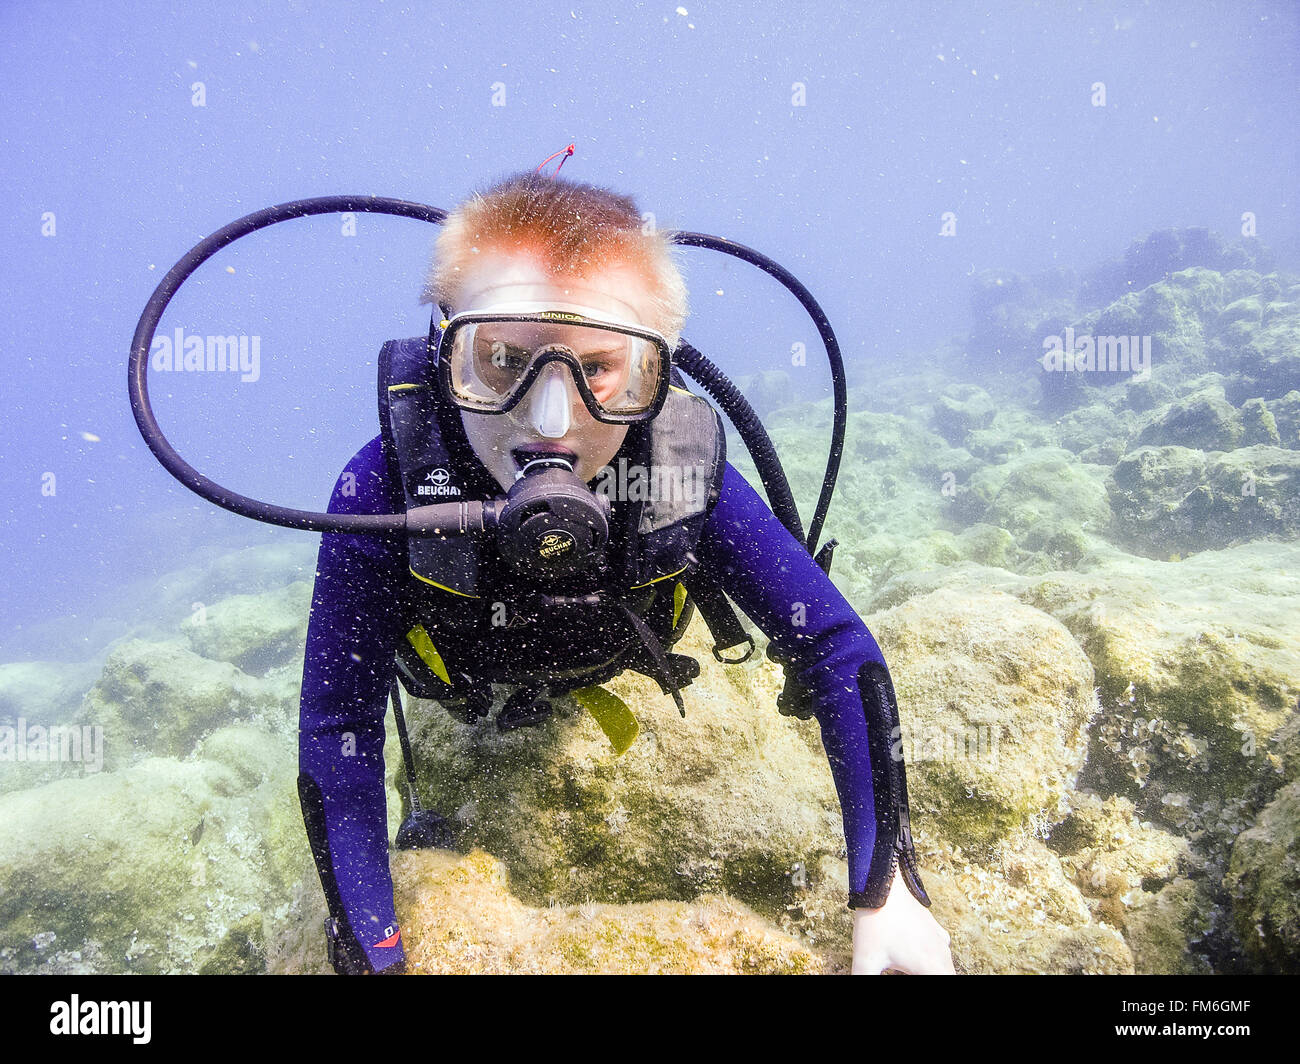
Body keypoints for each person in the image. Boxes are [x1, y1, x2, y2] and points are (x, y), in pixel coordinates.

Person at [297, 171, 956, 975]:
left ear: (658, 374)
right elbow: (342, 726)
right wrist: (375, 954)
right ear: (445, 352)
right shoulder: (384, 489)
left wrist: (886, 891)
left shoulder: (679, 473)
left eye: (600, 370)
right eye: (501, 361)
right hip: (458, 683)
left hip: (621, 650)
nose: (548, 420)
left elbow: (836, 651)